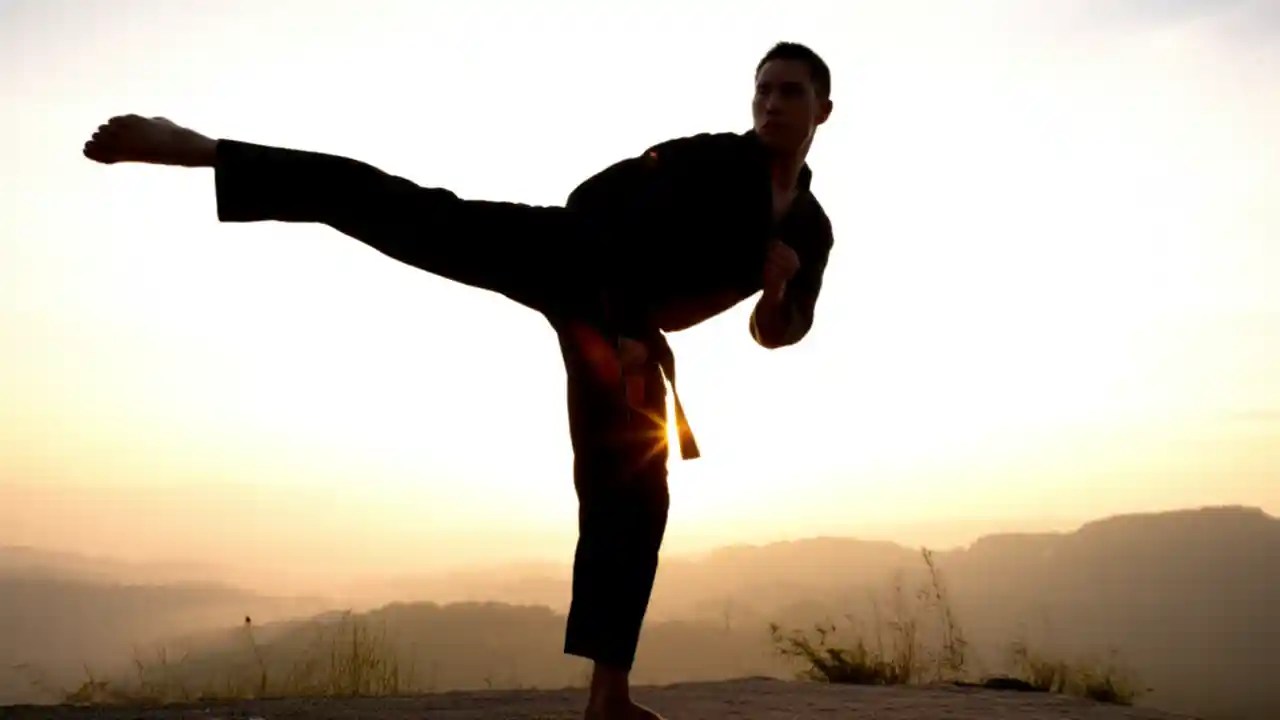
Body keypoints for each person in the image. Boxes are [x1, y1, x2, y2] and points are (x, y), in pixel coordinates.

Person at [82, 40, 835, 720]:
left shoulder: (810, 228)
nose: (771, 104)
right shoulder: (709, 160)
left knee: (635, 493)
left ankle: (609, 697)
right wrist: (624, 321)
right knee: (401, 209)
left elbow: (779, 333)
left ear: (821, 111)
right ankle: (200, 149)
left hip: (626, 338)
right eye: (763, 89)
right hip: (569, 257)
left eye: (790, 93)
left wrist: (774, 292)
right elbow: (599, 203)